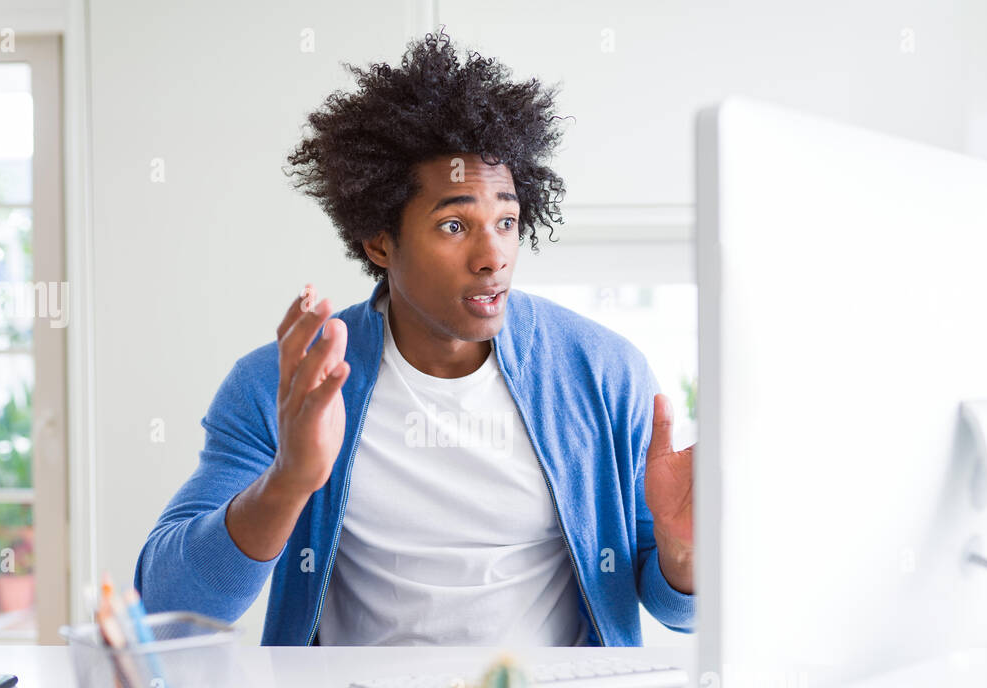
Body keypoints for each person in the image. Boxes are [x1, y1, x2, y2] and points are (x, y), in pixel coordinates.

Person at [133, 29, 695, 646]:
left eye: (506, 221)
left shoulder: (603, 372)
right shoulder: (286, 384)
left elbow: (675, 609)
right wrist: (289, 481)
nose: (493, 256)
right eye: (454, 224)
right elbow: (167, 603)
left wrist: (683, 556)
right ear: (380, 243)